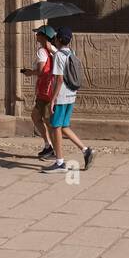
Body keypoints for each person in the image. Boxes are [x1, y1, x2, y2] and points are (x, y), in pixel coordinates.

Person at [43, 26, 93, 173]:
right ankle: (86, 150)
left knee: (55, 127)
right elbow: (59, 53)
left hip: (61, 96)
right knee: (64, 126)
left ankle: (60, 162)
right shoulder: (71, 52)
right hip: (71, 94)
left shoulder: (58, 55)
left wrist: (53, 99)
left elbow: (59, 79)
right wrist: (50, 46)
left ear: (58, 39)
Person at [19, 25, 56, 159]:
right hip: (50, 89)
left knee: (48, 122)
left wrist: (30, 73)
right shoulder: (54, 50)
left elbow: (41, 70)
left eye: (38, 33)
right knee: (36, 117)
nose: (36, 36)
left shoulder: (42, 51)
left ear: (42, 36)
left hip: (44, 91)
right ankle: (48, 146)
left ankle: (55, 151)